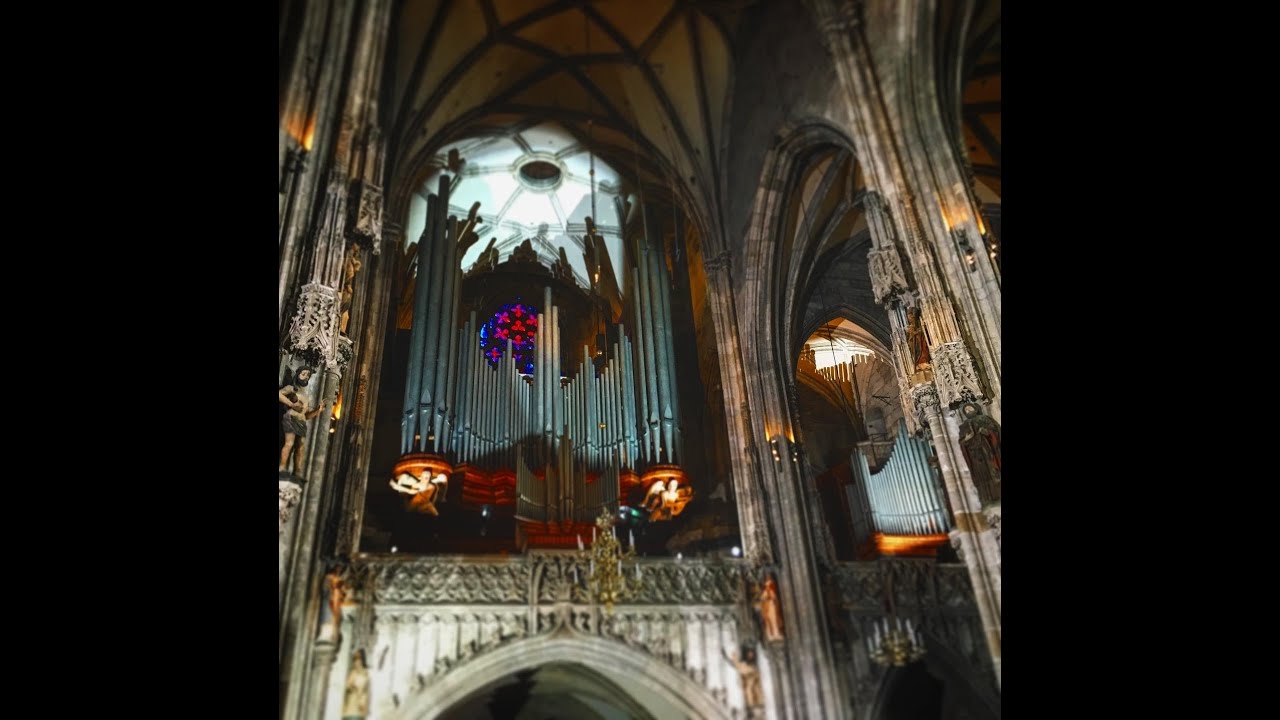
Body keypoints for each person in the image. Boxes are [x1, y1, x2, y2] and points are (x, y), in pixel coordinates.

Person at [280, 367, 325, 473]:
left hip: (302, 422)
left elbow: (306, 416)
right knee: (289, 444)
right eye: (303, 374)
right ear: (298, 374)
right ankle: (281, 467)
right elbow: (279, 394)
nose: (306, 377)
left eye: (308, 375)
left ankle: (297, 472)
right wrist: (291, 404)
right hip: (291, 418)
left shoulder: (305, 395)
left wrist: (318, 410)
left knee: (300, 448)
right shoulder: (292, 388)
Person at [958, 401, 1001, 505]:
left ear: (975, 409)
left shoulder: (983, 419)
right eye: (966, 410)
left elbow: (994, 431)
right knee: (981, 475)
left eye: (970, 409)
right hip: (974, 454)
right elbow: (960, 442)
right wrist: (967, 439)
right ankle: (987, 499)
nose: (968, 411)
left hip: (987, 449)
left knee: (992, 470)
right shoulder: (964, 426)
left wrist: (985, 431)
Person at [341, 650, 370, 720]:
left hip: (360, 709)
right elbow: (347, 686)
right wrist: (352, 687)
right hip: (350, 708)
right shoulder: (353, 673)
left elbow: (365, 691)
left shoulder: (366, 674)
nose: (356, 662)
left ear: (362, 661)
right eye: (355, 660)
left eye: (358, 660)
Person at [756, 575, 784, 642]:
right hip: (768, 610)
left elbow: (774, 598)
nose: (770, 587)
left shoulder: (769, 592)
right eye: (769, 586)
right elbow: (764, 599)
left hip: (772, 609)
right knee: (770, 622)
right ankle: (772, 635)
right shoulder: (766, 592)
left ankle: (775, 634)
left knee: (774, 622)